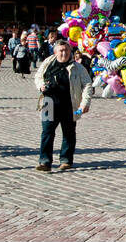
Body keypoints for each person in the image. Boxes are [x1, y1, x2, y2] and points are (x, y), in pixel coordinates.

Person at [34, 39, 93, 172]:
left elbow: (88, 85)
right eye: (61, 50)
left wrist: (85, 103)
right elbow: (38, 76)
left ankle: (66, 160)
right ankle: (45, 161)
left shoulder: (78, 67)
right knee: (47, 132)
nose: (64, 53)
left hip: (70, 105)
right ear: (55, 52)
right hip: (48, 103)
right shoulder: (48, 62)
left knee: (69, 133)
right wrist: (40, 85)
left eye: (66, 50)